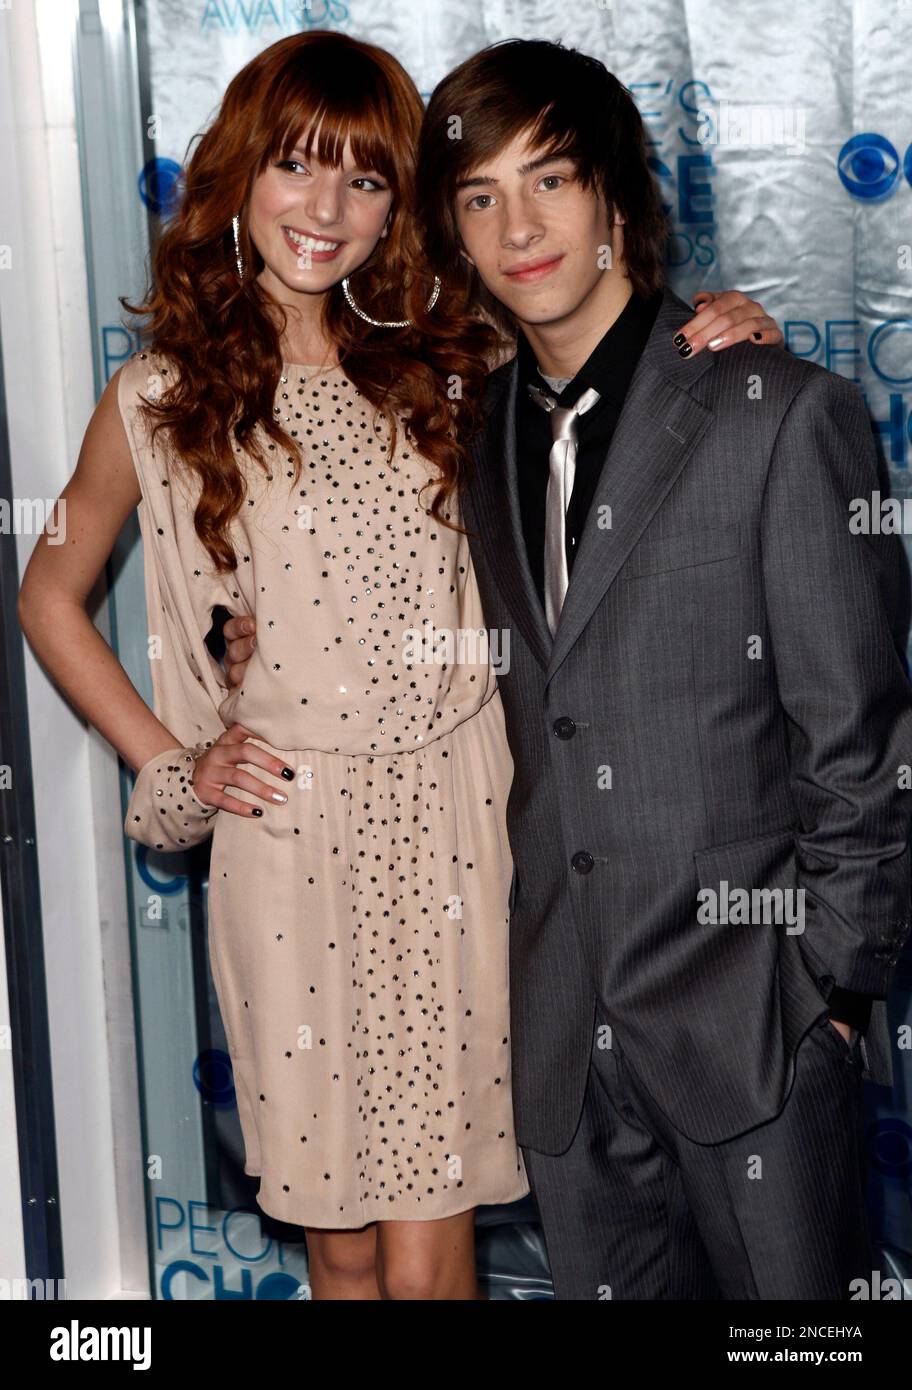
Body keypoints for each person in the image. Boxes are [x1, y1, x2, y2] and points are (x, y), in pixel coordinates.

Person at [20, 30, 779, 1301]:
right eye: (297, 167)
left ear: (400, 204)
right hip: (289, 836)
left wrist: (716, 315)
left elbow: (613, 375)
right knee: (343, 1237)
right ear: (238, 176)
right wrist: (171, 760)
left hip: (456, 818)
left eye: (366, 180)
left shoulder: (453, 355)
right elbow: (49, 587)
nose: (326, 210)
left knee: (429, 1223)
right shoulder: (158, 396)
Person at [229, 37, 912, 1301]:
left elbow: (859, 743)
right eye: (479, 197)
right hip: (553, 1036)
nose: (518, 225)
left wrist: (828, 994)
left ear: (615, 197)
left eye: (549, 180)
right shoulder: (461, 426)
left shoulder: (775, 410)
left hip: (750, 1023)